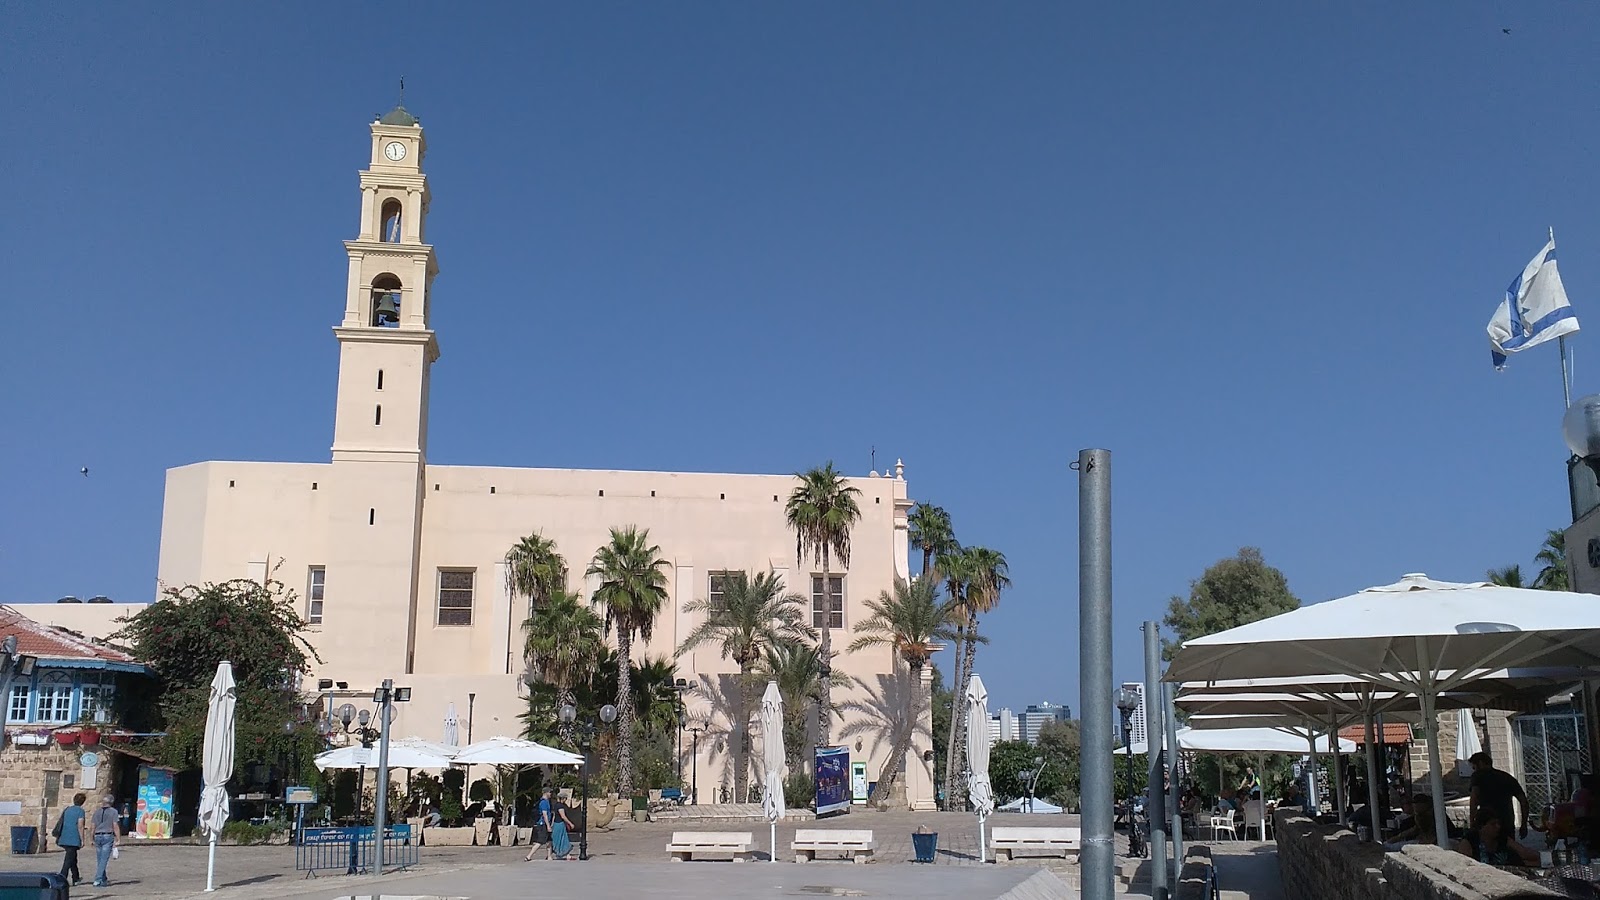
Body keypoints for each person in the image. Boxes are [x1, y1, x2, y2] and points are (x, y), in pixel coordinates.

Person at [1469, 752, 1529, 840]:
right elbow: (1523, 801)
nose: (1474, 770)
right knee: (1508, 845)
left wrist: (1472, 823)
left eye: (1474, 767)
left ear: (1480, 763)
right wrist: (1524, 824)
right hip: (1507, 821)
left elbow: (1473, 800)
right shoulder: (1507, 777)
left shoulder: (1478, 776)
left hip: (1487, 822)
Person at [1456, 809, 1538, 867]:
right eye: (1493, 824)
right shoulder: (1469, 841)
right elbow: (1465, 865)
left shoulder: (1502, 838)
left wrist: (1543, 858)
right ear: (1481, 826)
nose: (1498, 827)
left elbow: (1524, 853)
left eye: (1498, 823)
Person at [54, 792, 87, 886]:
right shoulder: (80, 811)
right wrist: (82, 839)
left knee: (72, 858)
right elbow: (80, 825)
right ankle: (62, 877)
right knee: (68, 860)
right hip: (73, 838)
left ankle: (76, 877)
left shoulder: (67, 810)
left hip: (64, 836)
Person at [91, 794, 119, 887]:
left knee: (100, 859)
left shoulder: (97, 812)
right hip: (107, 835)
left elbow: (93, 826)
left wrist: (91, 837)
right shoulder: (113, 812)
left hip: (97, 835)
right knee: (103, 859)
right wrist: (118, 838)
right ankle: (98, 879)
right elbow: (115, 825)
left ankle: (104, 879)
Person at [525, 789, 552, 861]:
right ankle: (529, 856)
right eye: (550, 792)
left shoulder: (547, 801)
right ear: (546, 793)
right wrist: (548, 825)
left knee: (549, 841)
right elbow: (545, 814)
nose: (551, 794)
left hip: (546, 823)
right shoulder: (543, 802)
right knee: (540, 841)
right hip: (543, 824)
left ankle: (549, 856)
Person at [547, 794, 576, 861]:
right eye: (565, 798)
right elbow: (563, 816)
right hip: (559, 824)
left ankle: (567, 854)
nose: (566, 800)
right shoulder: (560, 806)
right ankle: (556, 853)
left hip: (556, 824)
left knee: (562, 839)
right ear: (563, 798)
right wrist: (570, 823)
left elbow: (554, 816)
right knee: (560, 839)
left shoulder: (556, 805)